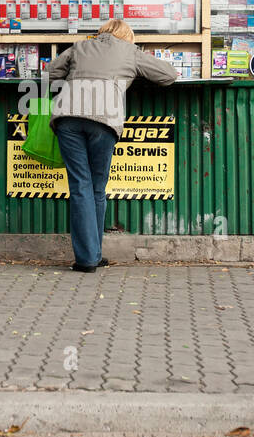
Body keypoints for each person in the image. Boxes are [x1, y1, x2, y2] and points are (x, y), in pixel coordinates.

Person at [48, 19, 177, 272]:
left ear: (102, 32)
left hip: (68, 119)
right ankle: (89, 257)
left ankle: (91, 256)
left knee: (80, 187)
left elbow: (50, 73)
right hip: (103, 121)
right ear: (127, 36)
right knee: (96, 188)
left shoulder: (79, 47)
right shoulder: (131, 52)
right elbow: (169, 75)